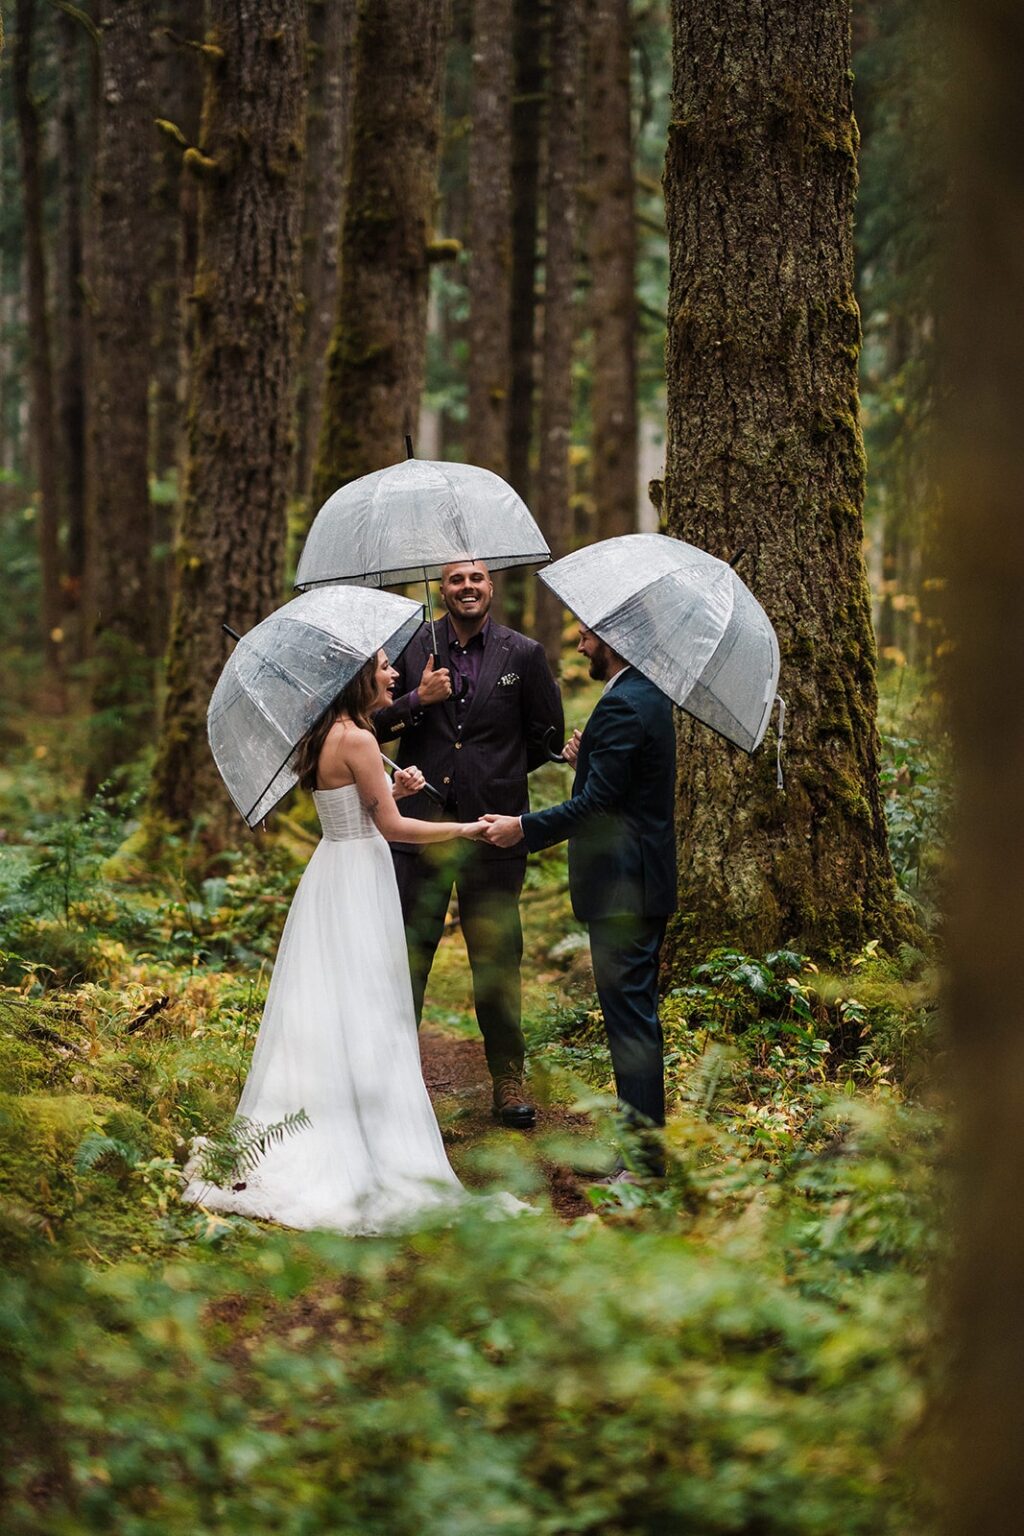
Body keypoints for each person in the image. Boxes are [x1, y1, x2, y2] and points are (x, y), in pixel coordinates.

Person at [183, 649, 495, 1234]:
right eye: (383, 666)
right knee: (365, 1005)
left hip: (336, 869)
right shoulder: (354, 738)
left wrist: (394, 789)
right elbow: (392, 829)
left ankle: (341, 1114)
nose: (394, 674)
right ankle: (361, 1136)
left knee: (335, 1004)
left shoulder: (337, 733)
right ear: (359, 679)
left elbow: (361, 807)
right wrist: (464, 828)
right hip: (358, 875)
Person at [373, 560, 563, 1129]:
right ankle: (394, 1079)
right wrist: (419, 700)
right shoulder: (411, 649)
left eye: (476, 578)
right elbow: (372, 726)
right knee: (409, 955)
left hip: (493, 831)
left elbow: (543, 738)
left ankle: (508, 1077)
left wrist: (496, 777)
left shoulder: (523, 654)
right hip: (419, 829)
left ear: (491, 586)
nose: (467, 587)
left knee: (496, 956)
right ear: (443, 588)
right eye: (456, 579)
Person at [482, 625, 677, 1177]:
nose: (582, 648)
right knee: (631, 1021)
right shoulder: (642, 694)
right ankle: (639, 1150)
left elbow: (596, 806)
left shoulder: (624, 704)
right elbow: (619, 790)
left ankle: (642, 1163)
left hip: (624, 888)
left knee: (632, 1025)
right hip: (636, 882)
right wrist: (585, 761)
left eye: (589, 638)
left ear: (615, 640)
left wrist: (521, 827)